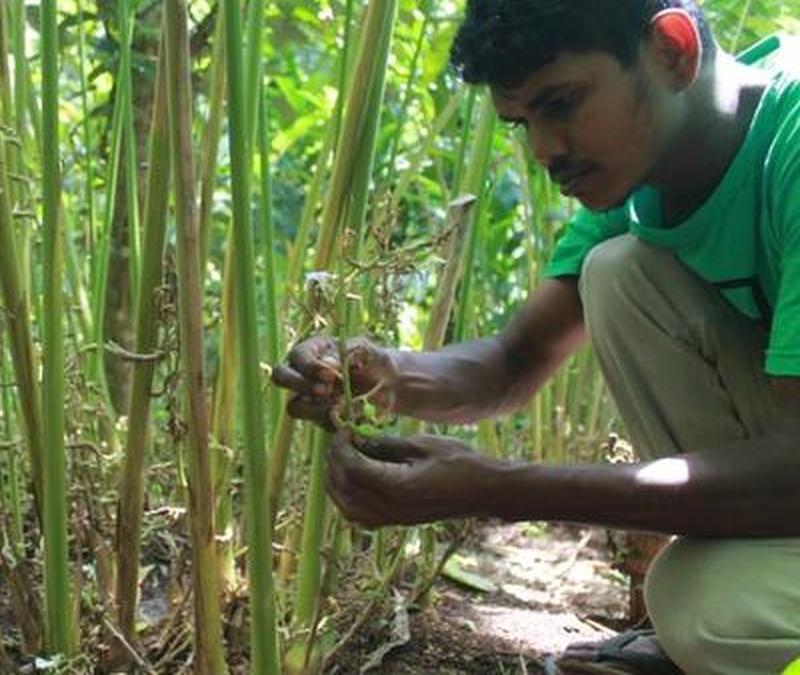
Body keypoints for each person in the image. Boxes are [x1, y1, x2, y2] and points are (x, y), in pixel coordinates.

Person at [270, 1, 800, 673]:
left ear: (672, 50)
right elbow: (512, 361)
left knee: (708, 610)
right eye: (523, 123)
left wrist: (500, 487)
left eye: (562, 103)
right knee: (618, 272)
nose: (544, 149)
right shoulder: (648, 176)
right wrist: (387, 374)